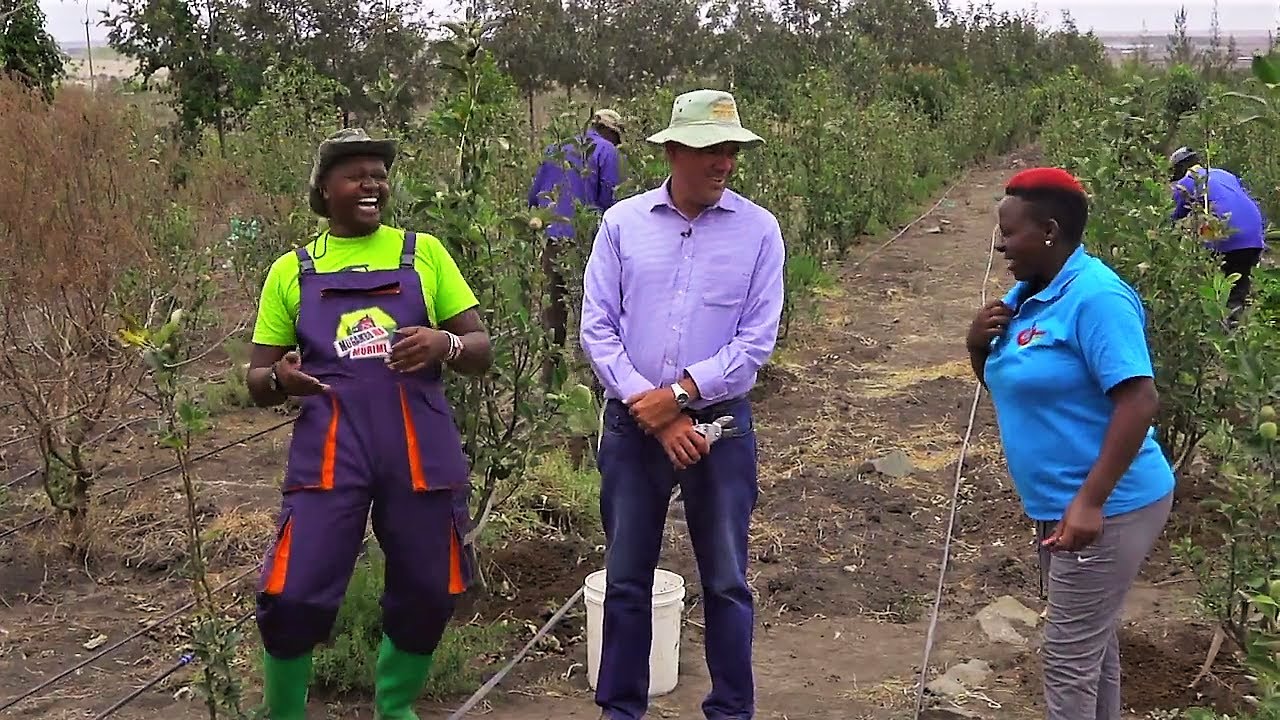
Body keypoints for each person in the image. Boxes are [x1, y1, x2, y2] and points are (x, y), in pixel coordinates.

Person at [244, 128, 492, 720]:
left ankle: (395, 708)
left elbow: (481, 349)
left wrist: (444, 343)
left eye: (378, 173)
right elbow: (255, 380)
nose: (371, 183)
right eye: (356, 173)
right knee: (294, 589)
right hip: (332, 448)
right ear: (324, 189)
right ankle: (281, 713)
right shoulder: (292, 270)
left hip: (418, 446)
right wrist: (281, 380)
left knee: (428, 588)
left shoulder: (423, 253)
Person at [579, 89, 784, 720]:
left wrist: (680, 397)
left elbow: (755, 343)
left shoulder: (758, 231)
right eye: (708, 150)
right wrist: (652, 406)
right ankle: (620, 709)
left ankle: (730, 710)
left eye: (729, 150)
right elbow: (597, 328)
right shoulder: (623, 225)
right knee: (627, 579)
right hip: (632, 423)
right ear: (672, 150)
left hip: (719, 427)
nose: (722, 162)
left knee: (725, 581)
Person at [966, 167, 1175, 720]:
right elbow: (1015, 389)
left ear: (1050, 231)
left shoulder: (1096, 298)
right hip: (1063, 503)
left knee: (1066, 657)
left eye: (1010, 233)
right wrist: (976, 347)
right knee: (1092, 648)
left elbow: (1139, 401)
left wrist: (1090, 501)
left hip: (1113, 503)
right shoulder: (1028, 295)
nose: (999, 244)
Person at [529, 109, 625, 386]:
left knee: (554, 313)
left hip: (552, 239)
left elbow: (534, 196)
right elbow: (612, 201)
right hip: (587, 241)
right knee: (596, 313)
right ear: (611, 132)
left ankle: (550, 385)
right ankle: (595, 385)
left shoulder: (554, 148)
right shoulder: (607, 152)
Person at [1169, 146, 1267, 315]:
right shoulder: (1224, 174)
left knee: (1213, 283)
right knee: (1239, 286)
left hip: (1229, 233)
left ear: (1180, 168)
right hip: (1255, 232)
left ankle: (1216, 325)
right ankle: (1237, 326)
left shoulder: (1186, 182)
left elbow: (1174, 216)